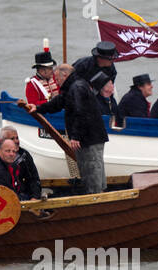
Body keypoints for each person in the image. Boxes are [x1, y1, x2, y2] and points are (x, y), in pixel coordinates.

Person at [25, 64, 108, 194]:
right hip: (90, 136)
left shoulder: (77, 87)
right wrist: (38, 108)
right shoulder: (72, 87)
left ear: (64, 75)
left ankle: (96, 197)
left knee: (92, 168)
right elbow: (58, 103)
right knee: (91, 168)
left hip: (90, 137)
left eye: (57, 78)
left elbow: (80, 112)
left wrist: (75, 136)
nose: (56, 81)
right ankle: (98, 194)